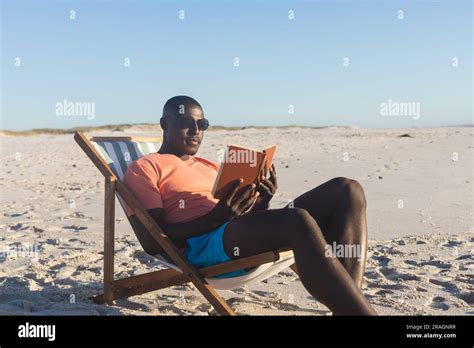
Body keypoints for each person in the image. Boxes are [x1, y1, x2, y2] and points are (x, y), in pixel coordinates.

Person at [124, 95, 377, 315]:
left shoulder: (208, 166)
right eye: (185, 123)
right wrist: (216, 218)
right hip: (201, 247)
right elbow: (153, 240)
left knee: (347, 189)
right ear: (164, 124)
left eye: (202, 124)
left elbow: (245, 220)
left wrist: (263, 199)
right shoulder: (145, 167)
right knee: (297, 220)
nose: (196, 130)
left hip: (233, 233)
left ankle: (347, 310)